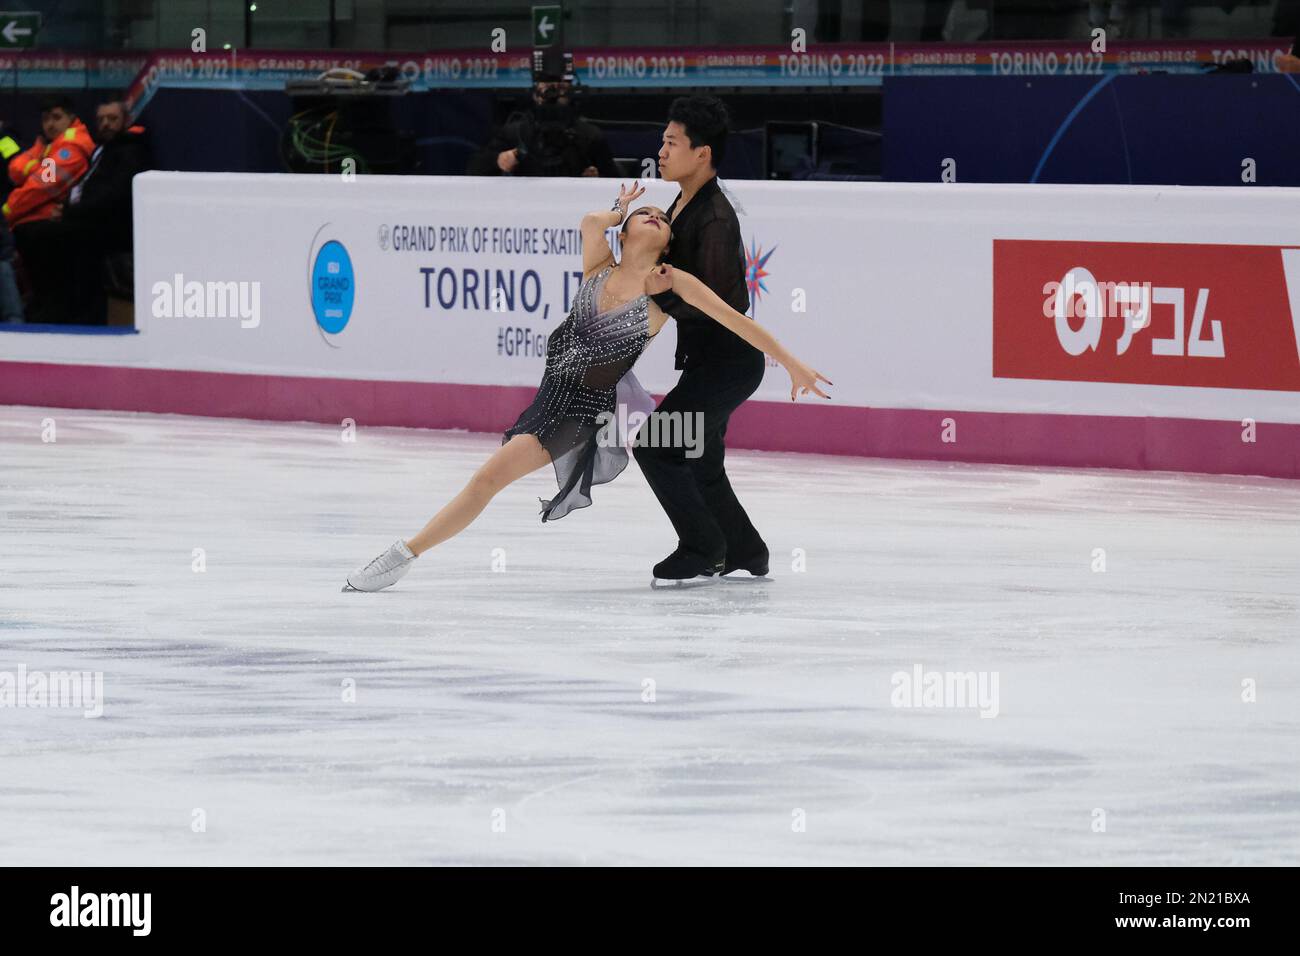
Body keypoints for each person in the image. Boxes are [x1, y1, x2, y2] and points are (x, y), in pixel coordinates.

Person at [342, 182, 830, 593]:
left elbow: (733, 319)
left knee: (489, 479)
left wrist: (790, 362)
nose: (656, 216)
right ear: (628, 228)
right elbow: (589, 222)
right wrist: (616, 211)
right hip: (549, 397)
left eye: (663, 216)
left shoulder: (670, 282)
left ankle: (401, 555)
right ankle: (405, 556)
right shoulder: (599, 267)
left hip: (584, 409)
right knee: (485, 482)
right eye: (646, 213)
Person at [634, 95, 770, 586]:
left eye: (672, 142)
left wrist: (661, 292)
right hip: (710, 362)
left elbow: (711, 306)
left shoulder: (714, 217)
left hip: (728, 362)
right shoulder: (684, 200)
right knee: (700, 459)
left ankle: (702, 546)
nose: (662, 151)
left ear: (702, 153)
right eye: (662, 141)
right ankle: (745, 549)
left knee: (657, 445)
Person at [4, 95, 95, 323]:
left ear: (72, 119)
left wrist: (5, 211)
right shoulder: (48, 146)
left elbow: (40, 186)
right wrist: (37, 158)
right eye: (46, 119)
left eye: (57, 117)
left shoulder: (71, 147)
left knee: (51, 296)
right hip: (32, 225)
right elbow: (15, 170)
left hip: (48, 229)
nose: (50, 124)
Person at [466, 78, 617, 179]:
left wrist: (598, 179)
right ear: (535, 94)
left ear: (569, 93)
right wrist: (498, 160)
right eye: (546, 91)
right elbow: (474, 168)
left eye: (559, 90)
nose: (552, 97)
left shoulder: (589, 135)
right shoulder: (516, 133)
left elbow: (615, 180)